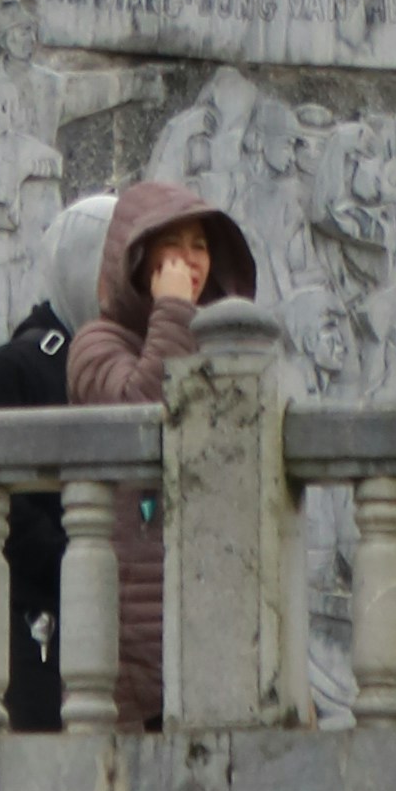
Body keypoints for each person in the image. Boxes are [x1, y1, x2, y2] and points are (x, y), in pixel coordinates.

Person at [63, 174, 263, 726]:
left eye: (199, 246)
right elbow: (146, 414)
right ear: (136, 260)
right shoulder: (96, 344)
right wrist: (172, 308)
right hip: (130, 622)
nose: (188, 260)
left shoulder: (211, 346)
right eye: (171, 246)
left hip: (209, 602)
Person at [0, 184, 113, 728]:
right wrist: (86, 568)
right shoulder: (16, 370)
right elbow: (1, 510)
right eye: (114, 267)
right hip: (42, 636)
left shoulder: (131, 375)